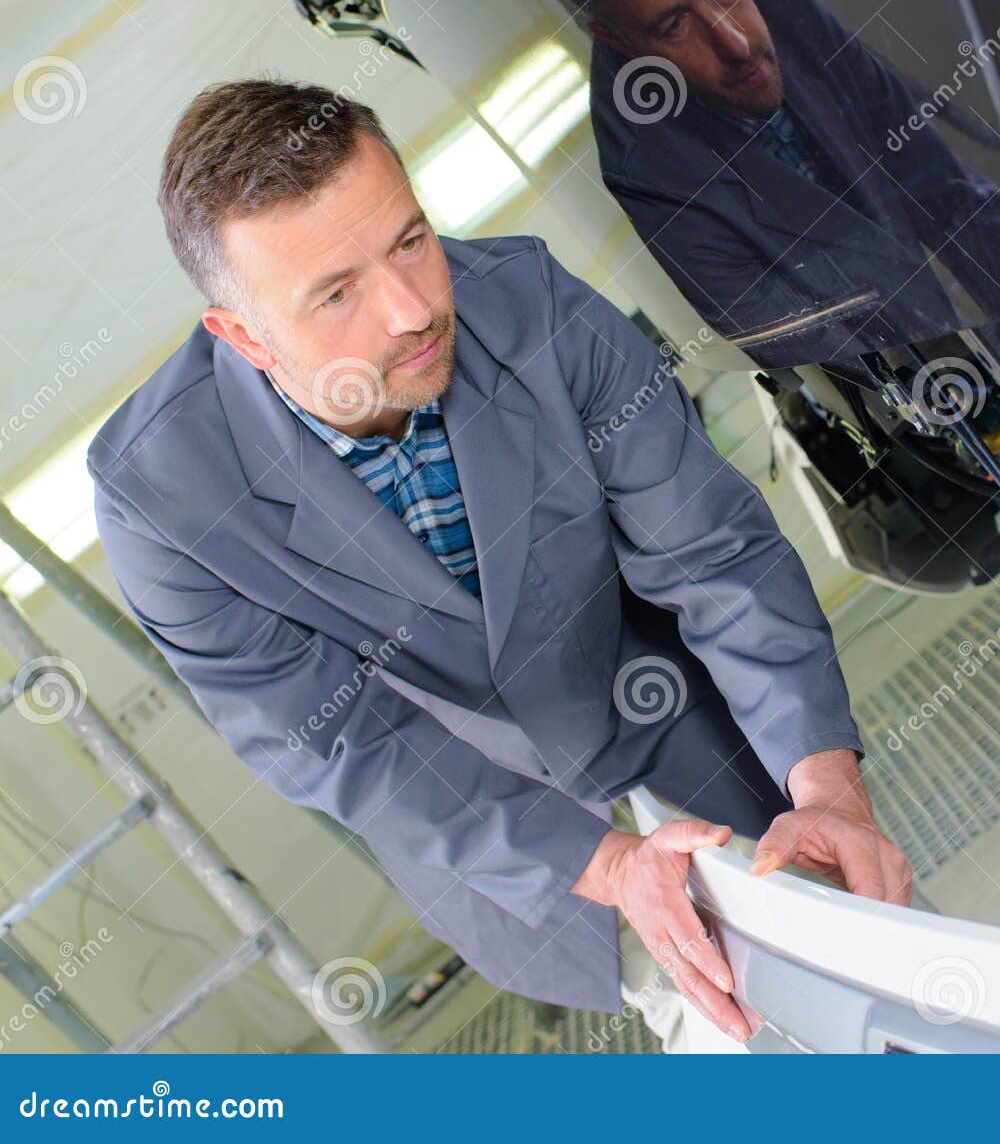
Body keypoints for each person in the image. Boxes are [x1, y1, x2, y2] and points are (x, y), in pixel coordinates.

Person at [89, 79, 912, 1044]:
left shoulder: (529, 302)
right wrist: (609, 867)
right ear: (241, 335)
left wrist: (827, 792)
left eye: (408, 239)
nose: (410, 310)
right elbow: (344, 744)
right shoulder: (161, 498)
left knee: (903, 993)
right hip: (501, 839)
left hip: (675, 724)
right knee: (760, 1050)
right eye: (337, 293)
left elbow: (712, 552)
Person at [569, 0, 1000, 368]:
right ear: (618, 42)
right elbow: (832, 361)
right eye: (674, 25)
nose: (736, 42)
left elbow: (944, 191)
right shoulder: (650, 172)